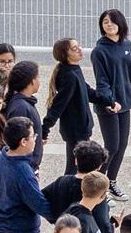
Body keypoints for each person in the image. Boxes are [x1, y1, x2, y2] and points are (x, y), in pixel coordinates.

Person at [92, 8, 131, 198]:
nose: (109, 24)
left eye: (112, 21)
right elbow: (102, 80)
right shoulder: (99, 51)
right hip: (108, 106)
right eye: (105, 21)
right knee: (111, 146)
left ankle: (111, 182)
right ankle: (99, 184)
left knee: (122, 145)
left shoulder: (127, 45)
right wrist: (109, 101)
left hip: (126, 102)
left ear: (120, 23)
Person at [41, 36, 109, 174]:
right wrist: (45, 128)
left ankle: (75, 192)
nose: (80, 50)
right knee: (75, 168)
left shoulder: (74, 70)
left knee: (78, 167)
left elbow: (88, 92)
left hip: (80, 127)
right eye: (74, 48)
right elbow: (58, 105)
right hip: (75, 129)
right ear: (66, 55)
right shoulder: (69, 75)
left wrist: (110, 101)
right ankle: (69, 193)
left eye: (79, 46)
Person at [4, 58, 45, 169]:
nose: (40, 81)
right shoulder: (20, 107)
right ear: (32, 81)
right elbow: (16, 143)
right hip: (24, 167)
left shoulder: (25, 103)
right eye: (38, 77)